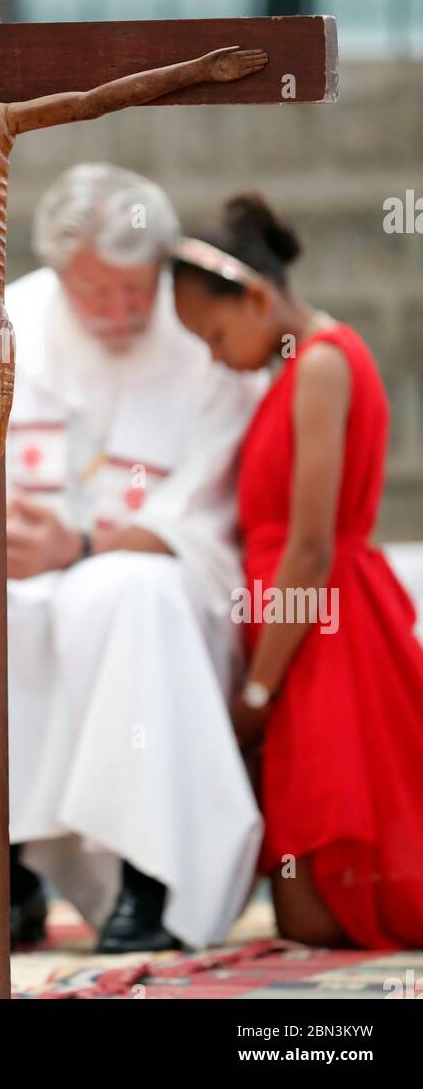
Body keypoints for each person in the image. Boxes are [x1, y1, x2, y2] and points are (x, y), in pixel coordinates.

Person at [0, 163, 268, 956]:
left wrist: (82, 546)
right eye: (96, 293)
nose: (118, 312)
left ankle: (148, 882)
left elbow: (213, 503)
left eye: (133, 291)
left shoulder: (197, 331)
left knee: (130, 598)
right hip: (13, 571)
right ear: (58, 269)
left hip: (141, 572)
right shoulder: (6, 320)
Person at [172, 193, 423, 948]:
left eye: (215, 336)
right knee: (306, 894)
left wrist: (259, 684)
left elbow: (310, 550)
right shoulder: (290, 374)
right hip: (300, 636)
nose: (215, 357)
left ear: (254, 296)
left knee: (325, 896)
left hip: (325, 632)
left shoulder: (320, 364)